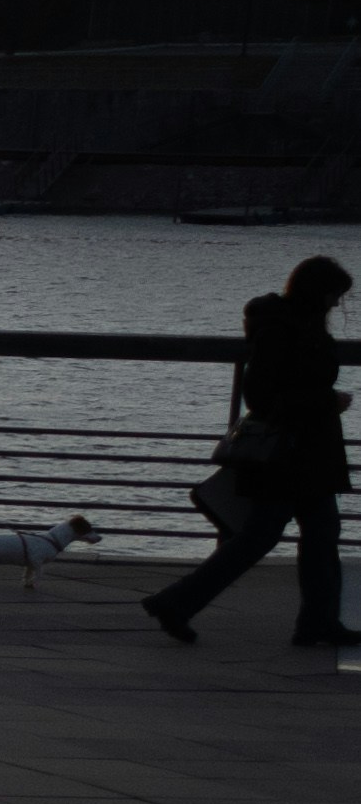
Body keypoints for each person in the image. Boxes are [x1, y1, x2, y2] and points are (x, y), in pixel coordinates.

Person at [145, 252, 352, 647]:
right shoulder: (282, 329)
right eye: (334, 294)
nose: (337, 303)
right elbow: (260, 395)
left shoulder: (284, 322)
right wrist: (326, 401)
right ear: (317, 293)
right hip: (291, 455)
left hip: (300, 453)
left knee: (298, 534)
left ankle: (318, 621)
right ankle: (177, 602)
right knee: (278, 536)